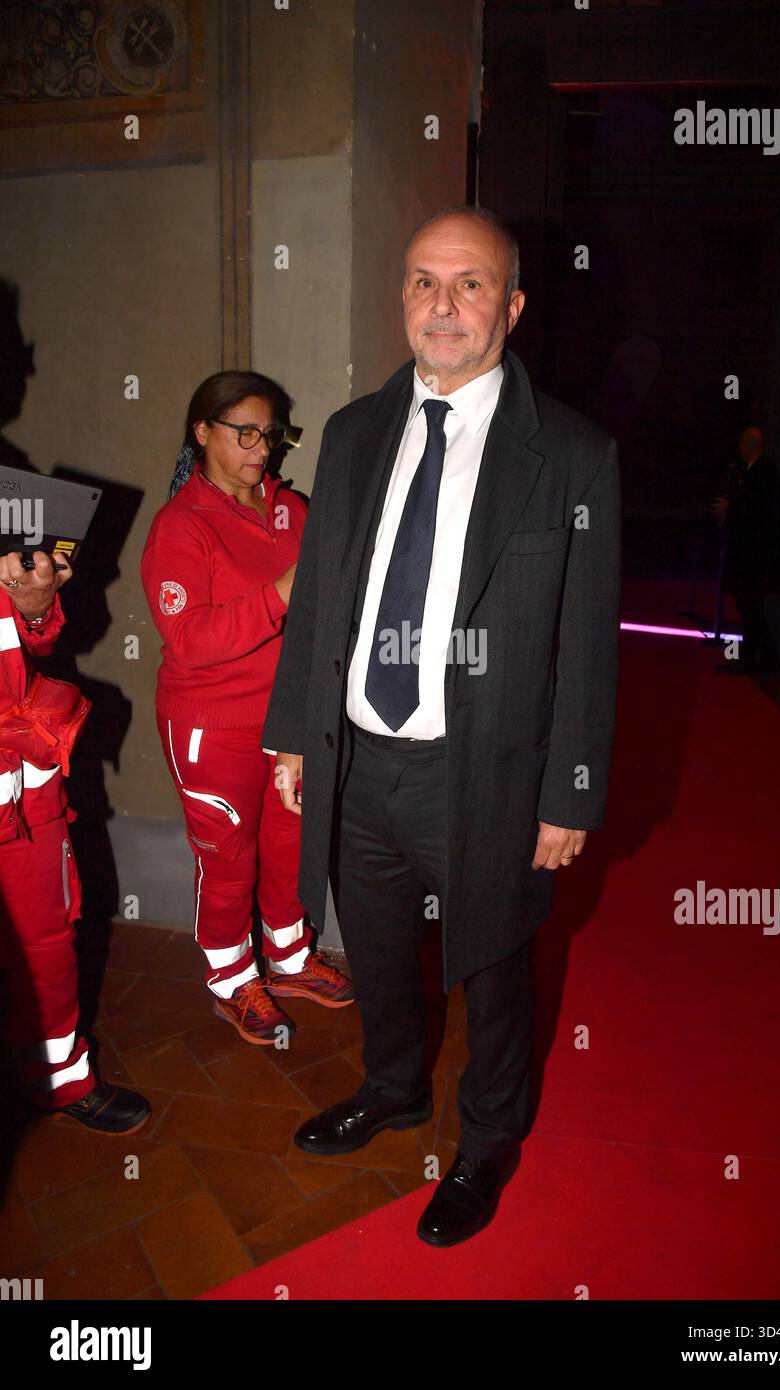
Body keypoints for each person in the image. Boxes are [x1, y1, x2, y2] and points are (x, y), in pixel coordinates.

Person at [263, 206, 620, 1245]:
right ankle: (393, 1086)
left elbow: (589, 646)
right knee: (374, 948)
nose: (443, 305)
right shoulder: (351, 432)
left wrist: (570, 790)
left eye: (469, 285)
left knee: (495, 966)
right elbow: (323, 601)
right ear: (402, 298)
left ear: (509, 305)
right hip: (358, 760)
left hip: (490, 773)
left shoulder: (571, 454)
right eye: (424, 281)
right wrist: (294, 730)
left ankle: (488, 1137)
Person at [141, 371, 352, 1046]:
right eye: (246, 433)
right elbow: (192, 640)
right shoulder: (181, 526)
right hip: (211, 723)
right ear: (202, 433)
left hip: (286, 719)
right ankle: (232, 979)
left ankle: (287, 957)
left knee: (289, 842)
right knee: (227, 858)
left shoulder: (292, 510)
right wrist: (283, 592)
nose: (263, 448)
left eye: (271, 433)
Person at [0, 545, 150, 1132]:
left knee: (47, 941)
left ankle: (58, 1079)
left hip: (22, 788)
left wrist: (33, 606)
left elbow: (27, 648)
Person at [713, 425, 780, 674]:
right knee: (750, 609)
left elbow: (757, 513)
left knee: (751, 608)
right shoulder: (756, 472)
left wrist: (730, 510)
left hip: (754, 558)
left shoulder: (761, 473)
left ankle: (756, 659)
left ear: (745, 446)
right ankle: (763, 658)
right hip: (752, 556)